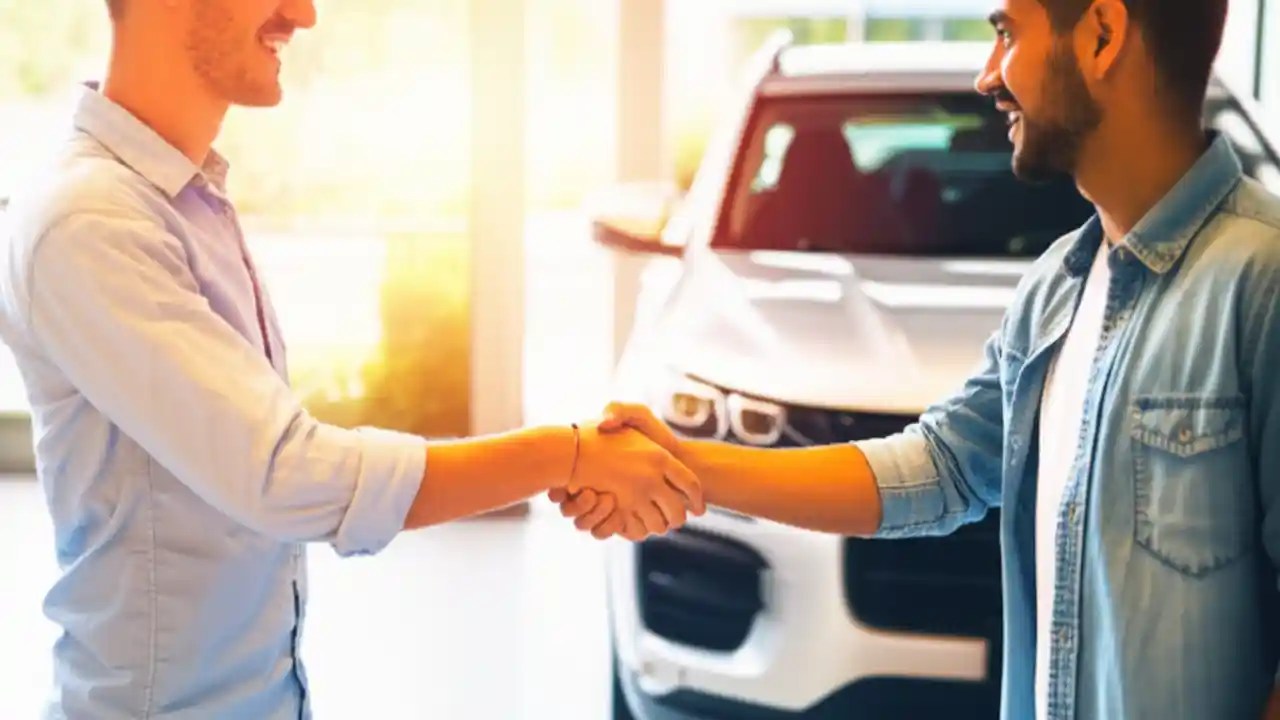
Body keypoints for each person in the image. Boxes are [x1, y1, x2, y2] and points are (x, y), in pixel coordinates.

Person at [558, 0, 1280, 718]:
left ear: (1101, 35)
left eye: (1007, 34)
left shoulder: (1263, 281)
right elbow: (937, 466)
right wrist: (683, 464)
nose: (989, 75)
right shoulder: (1058, 288)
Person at [0, 1, 703, 717]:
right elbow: (286, 476)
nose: (302, 14)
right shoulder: (91, 221)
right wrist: (568, 456)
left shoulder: (179, 202)